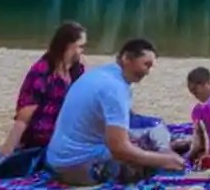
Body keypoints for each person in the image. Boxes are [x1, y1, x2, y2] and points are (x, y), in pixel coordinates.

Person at [45, 38, 186, 184]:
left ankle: (171, 149)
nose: (148, 72)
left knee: (144, 141)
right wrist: (163, 160)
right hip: (77, 166)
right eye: (146, 65)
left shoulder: (101, 74)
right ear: (126, 59)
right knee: (148, 164)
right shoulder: (115, 89)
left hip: (58, 159)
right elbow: (120, 149)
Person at [0, 21, 88, 159]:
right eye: (80, 46)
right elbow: (24, 115)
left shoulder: (77, 70)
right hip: (42, 138)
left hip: (66, 134)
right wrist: (7, 150)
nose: (82, 51)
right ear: (69, 46)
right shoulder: (43, 72)